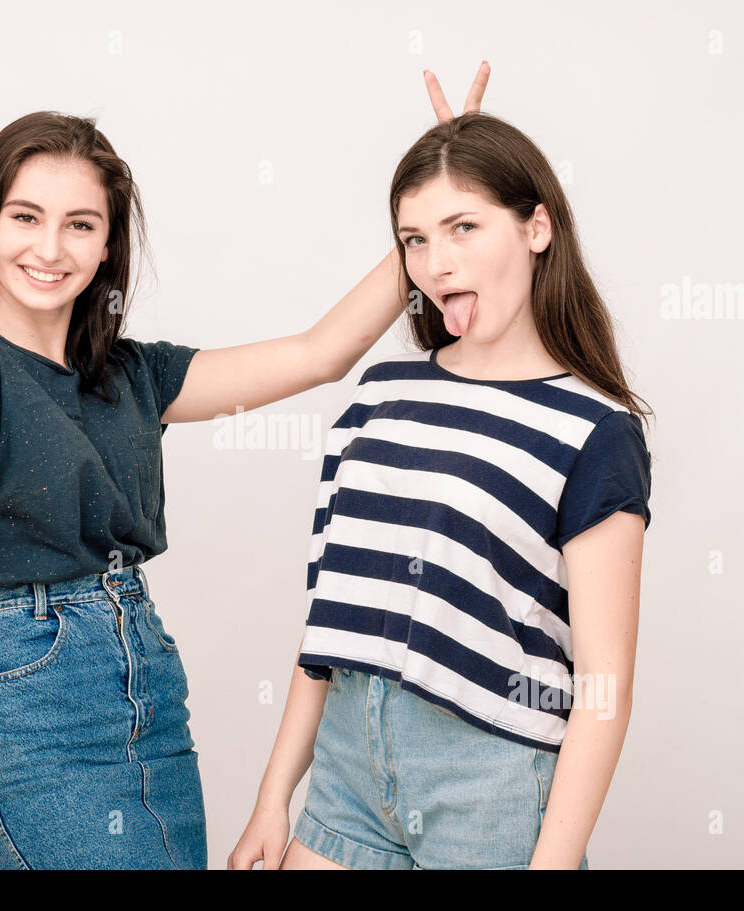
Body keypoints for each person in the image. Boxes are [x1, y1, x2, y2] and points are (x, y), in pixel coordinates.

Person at [0, 63, 488, 869]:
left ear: (108, 244)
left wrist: (435, 216)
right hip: (36, 701)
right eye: (24, 216)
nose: (48, 247)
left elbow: (320, 353)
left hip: (146, 690)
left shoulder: (128, 372)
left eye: (79, 224)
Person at [230, 89, 654, 870]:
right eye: (415, 239)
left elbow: (605, 685)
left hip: (490, 790)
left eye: (465, 227)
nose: (438, 262)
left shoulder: (595, 432)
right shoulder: (378, 394)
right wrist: (271, 796)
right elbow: (332, 617)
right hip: (347, 774)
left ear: (537, 227)